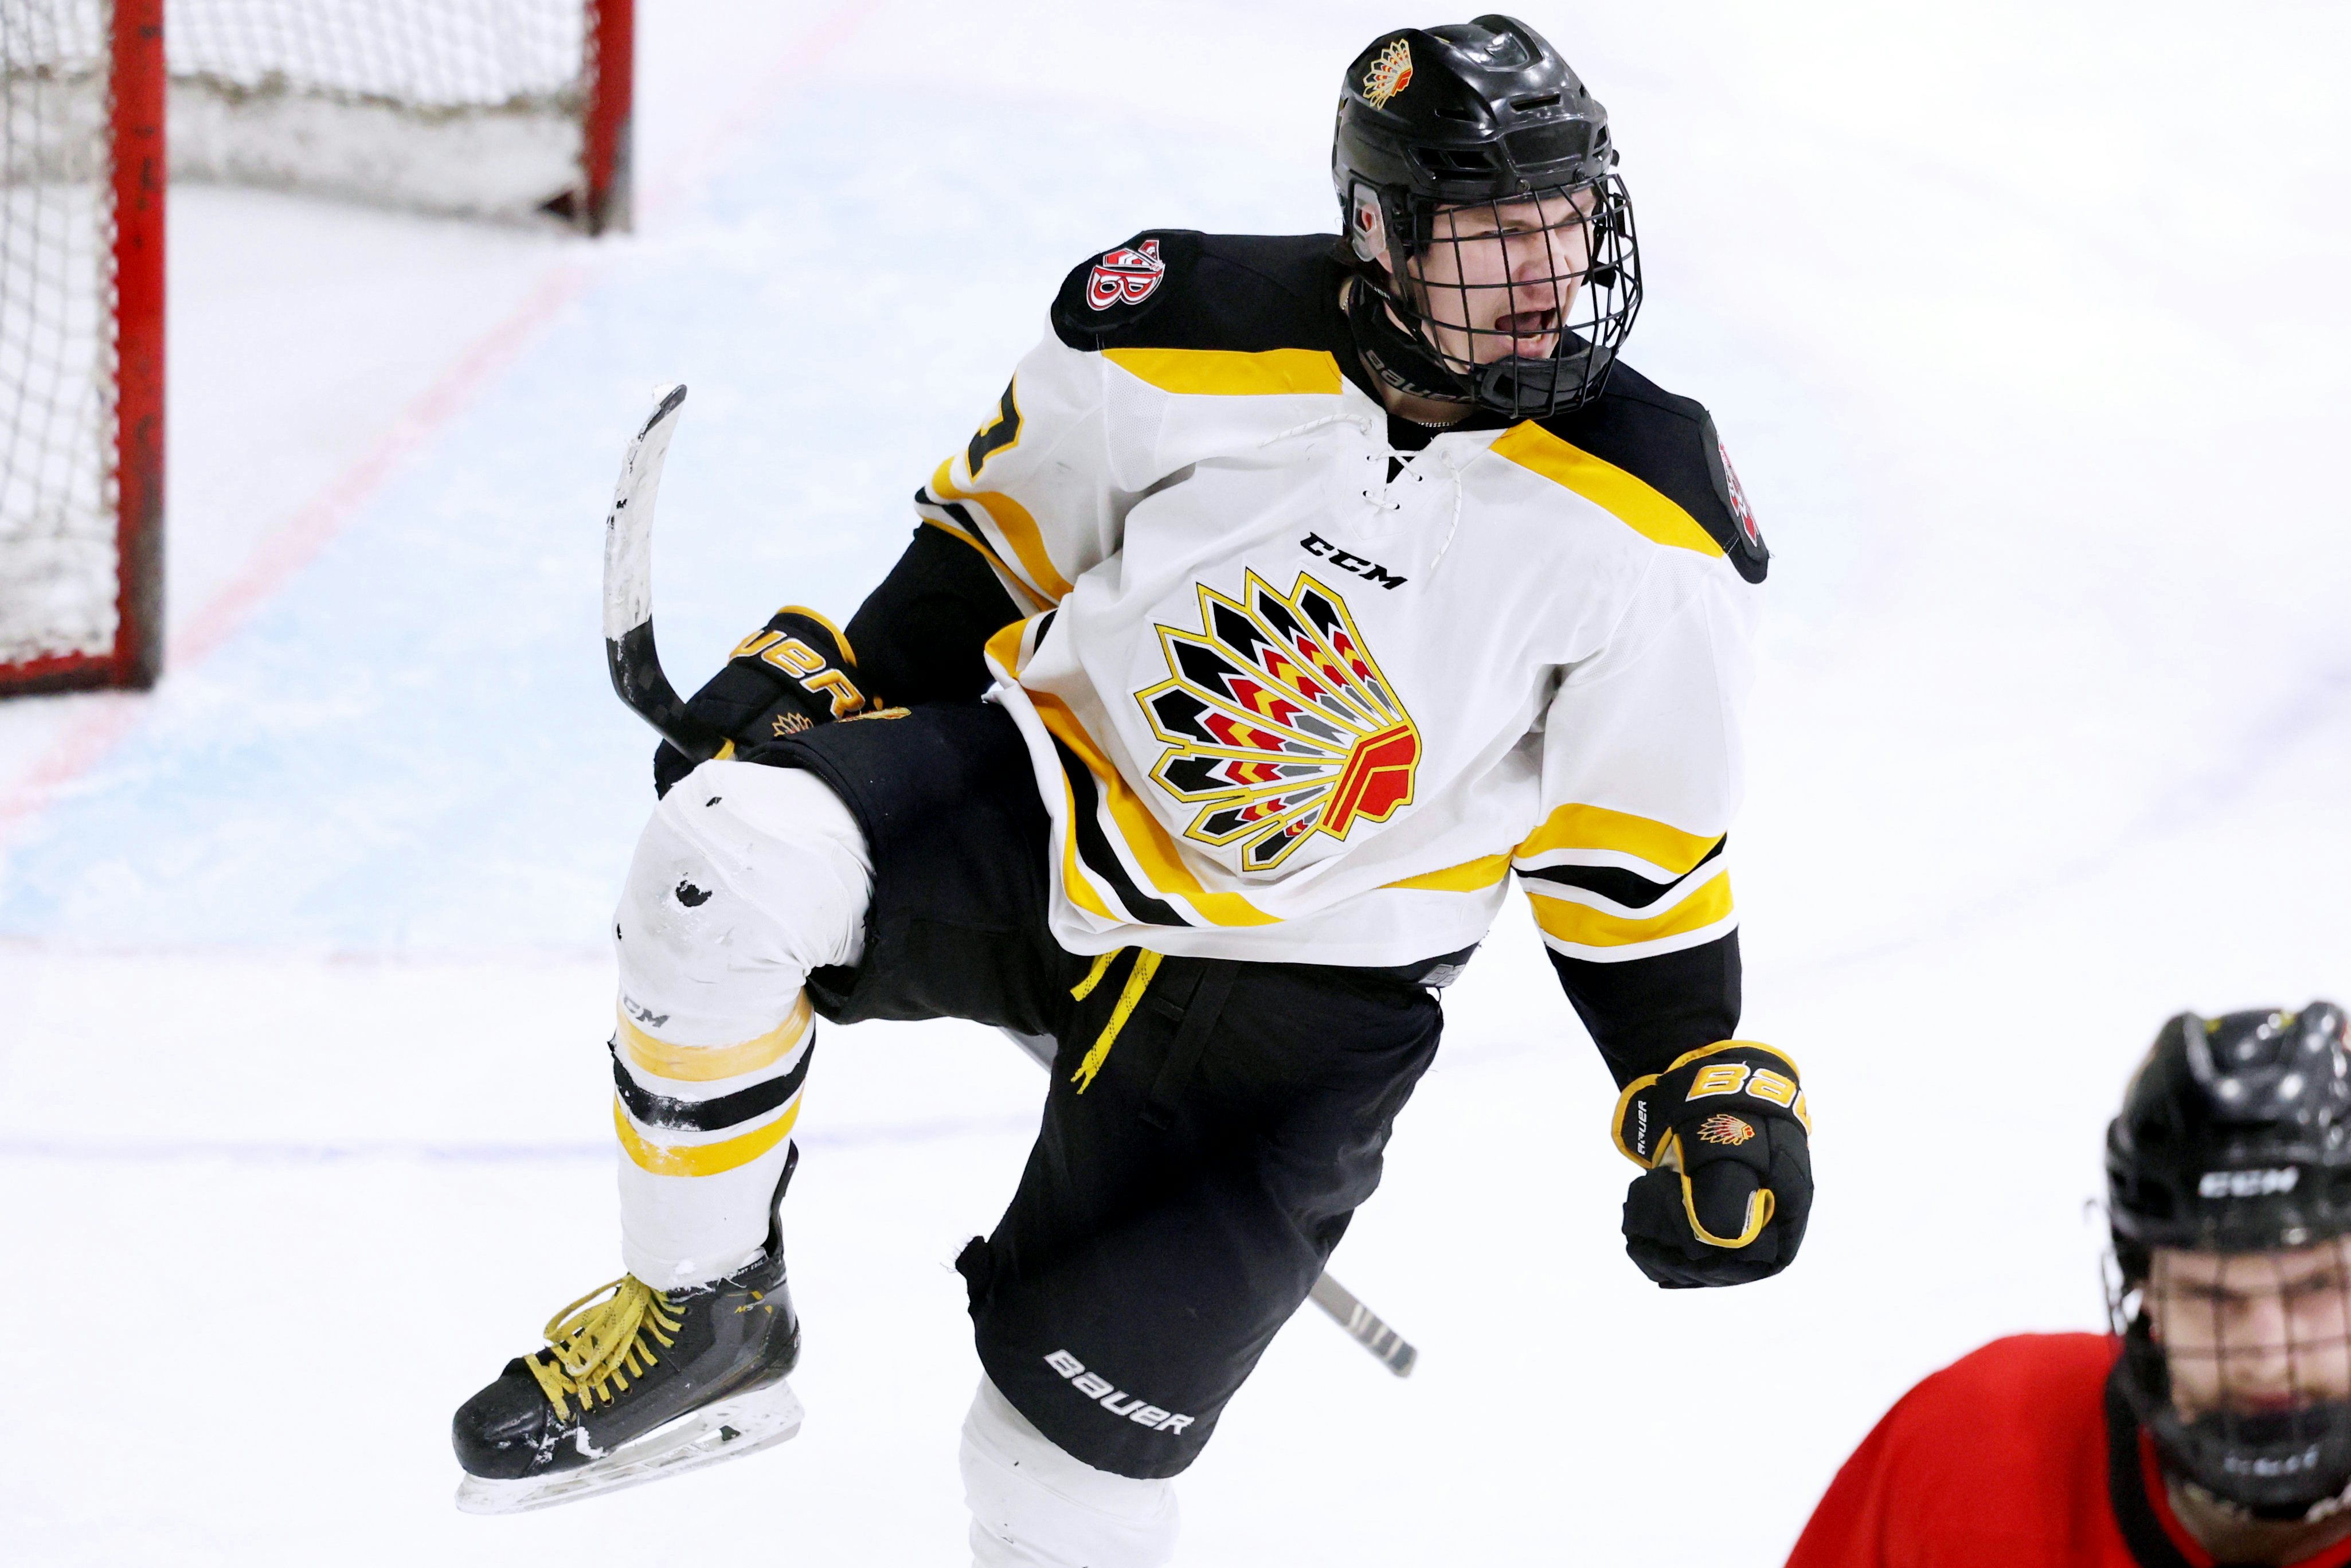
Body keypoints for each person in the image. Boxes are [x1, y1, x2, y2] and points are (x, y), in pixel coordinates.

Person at [451, 14, 1808, 1561]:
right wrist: (845, 667)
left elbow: (1628, 857)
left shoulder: (1654, 519)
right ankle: (702, 1318)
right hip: (1048, 805)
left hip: (1312, 996)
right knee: (722, 862)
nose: (1544, 281)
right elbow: (993, 547)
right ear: (1378, 228)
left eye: (1564, 227)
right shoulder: (1175, 321)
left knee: (1053, 1479)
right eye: (1494, 238)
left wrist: (1693, 1072)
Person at [1786, 1002, 2351, 1568]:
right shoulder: (1967, 1450)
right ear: (2145, 1288)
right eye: (2210, 1294)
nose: (2268, 1353)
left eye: (2319, 1282)